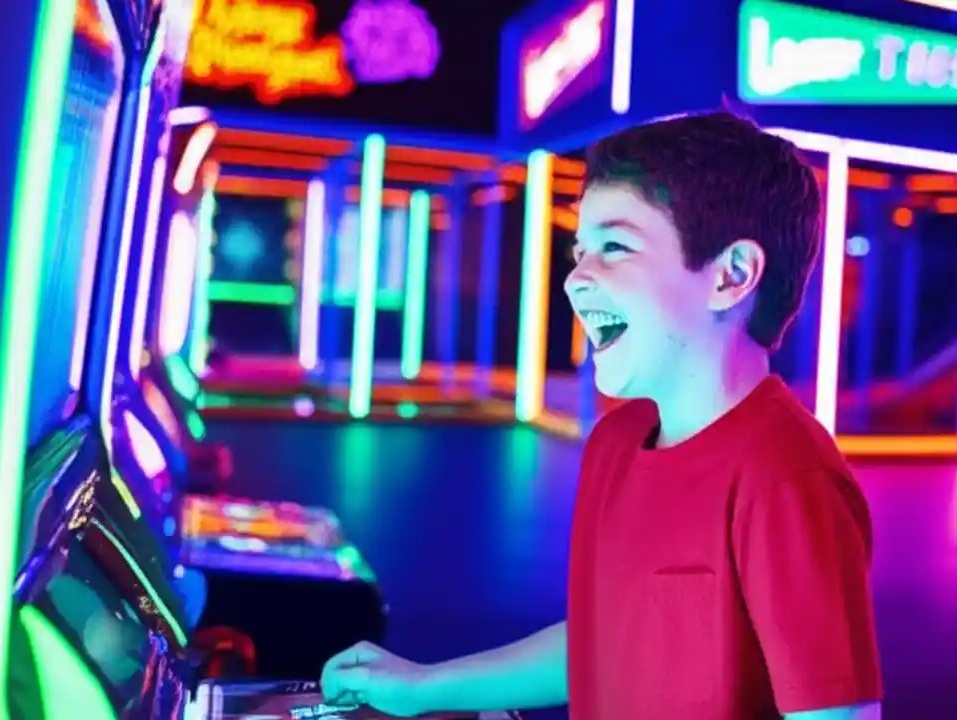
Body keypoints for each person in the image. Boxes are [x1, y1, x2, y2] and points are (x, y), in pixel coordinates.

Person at [320, 111, 883, 719]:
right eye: (579, 250)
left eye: (614, 247)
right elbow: (603, 644)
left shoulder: (785, 476)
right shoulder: (614, 442)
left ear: (732, 274)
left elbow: (835, 713)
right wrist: (424, 687)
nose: (574, 279)